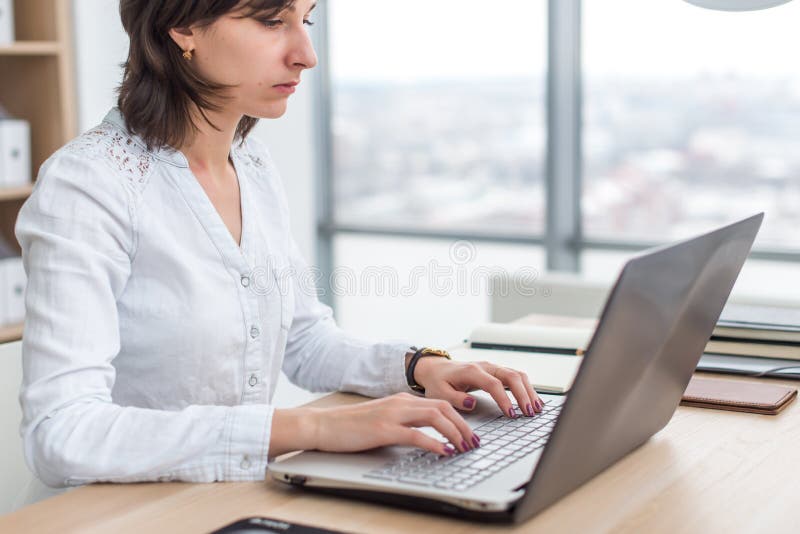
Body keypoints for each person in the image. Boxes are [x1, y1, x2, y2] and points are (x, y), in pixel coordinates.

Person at [15, 0, 543, 488]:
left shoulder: (253, 165)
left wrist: (417, 370)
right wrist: (312, 427)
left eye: (305, 20)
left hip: (242, 498)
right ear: (182, 26)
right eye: (272, 21)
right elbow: (61, 433)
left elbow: (303, 340)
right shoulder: (89, 186)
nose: (305, 55)